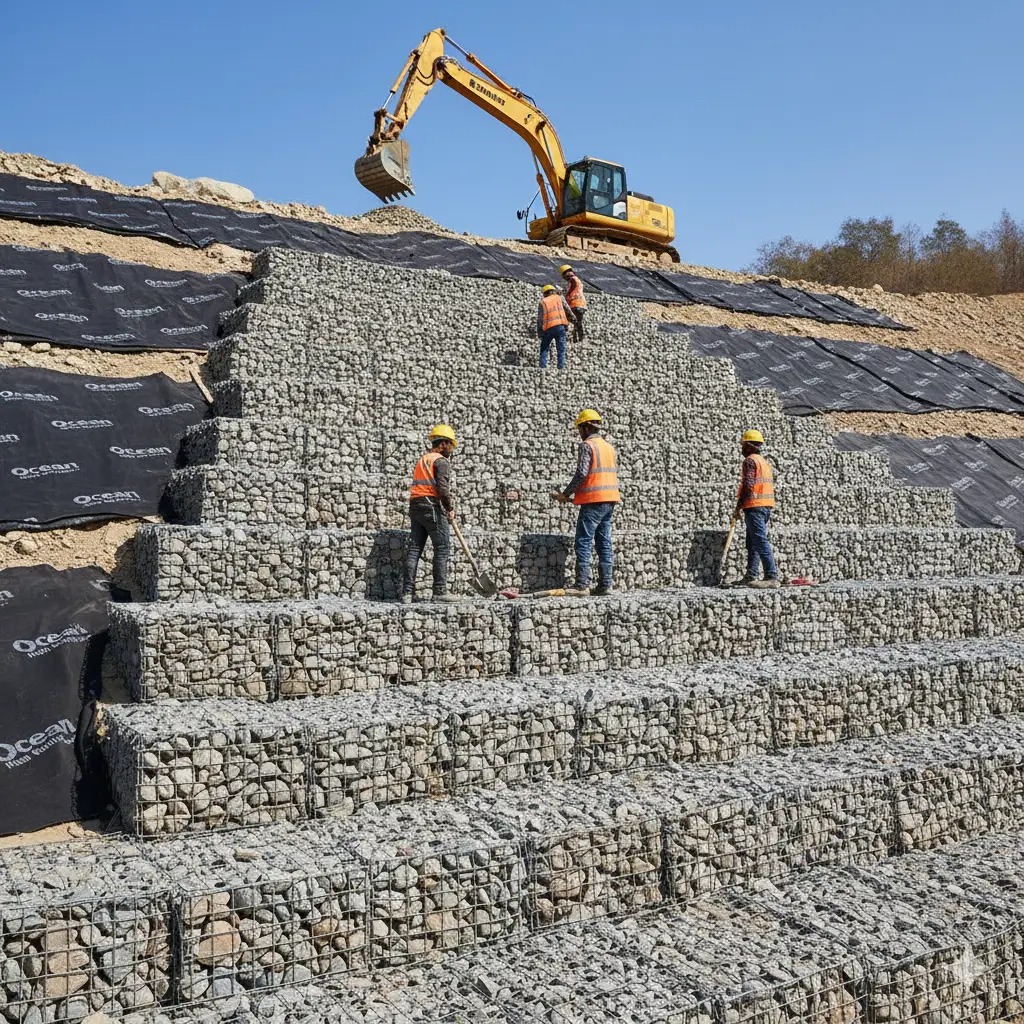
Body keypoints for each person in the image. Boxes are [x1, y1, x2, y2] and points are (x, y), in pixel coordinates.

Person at [553, 409, 620, 595]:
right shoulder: (608, 446)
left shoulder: (587, 446)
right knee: (603, 542)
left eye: (579, 429)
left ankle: (582, 585)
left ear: (586, 427)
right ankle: (605, 584)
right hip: (609, 499)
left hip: (593, 501)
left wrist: (565, 494)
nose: (579, 433)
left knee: (583, 541)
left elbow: (582, 473)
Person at [402, 424, 459, 603]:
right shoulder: (441, 461)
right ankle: (440, 591)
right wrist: (449, 508)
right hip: (430, 506)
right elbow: (442, 490)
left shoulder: (423, 460)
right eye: (451, 445)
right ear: (443, 444)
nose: (452, 449)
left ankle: (407, 593)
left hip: (415, 505)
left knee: (414, 549)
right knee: (442, 548)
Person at [728, 429, 779, 589]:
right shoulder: (763, 462)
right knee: (753, 542)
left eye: (743, 445)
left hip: (754, 506)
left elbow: (749, 486)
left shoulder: (750, 461)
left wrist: (739, 506)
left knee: (760, 541)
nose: (742, 448)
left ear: (749, 446)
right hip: (765, 506)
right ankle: (751, 575)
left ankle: (771, 576)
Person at [536, 283, 576, 370]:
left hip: (548, 328)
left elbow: (540, 319)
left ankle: (542, 367)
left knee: (544, 348)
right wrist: (573, 319)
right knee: (561, 348)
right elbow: (567, 310)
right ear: (553, 291)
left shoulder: (542, 302)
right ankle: (561, 367)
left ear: (545, 294)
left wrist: (539, 331)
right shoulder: (559, 298)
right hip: (560, 326)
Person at [559, 264, 587, 342]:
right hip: (581, 305)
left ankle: (579, 338)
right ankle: (577, 339)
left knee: (574, 321)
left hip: (575, 305)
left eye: (564, 275)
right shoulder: (577, 280)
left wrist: (560, 292)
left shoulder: (573, 279)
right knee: (577, 322)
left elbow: (568, 289)